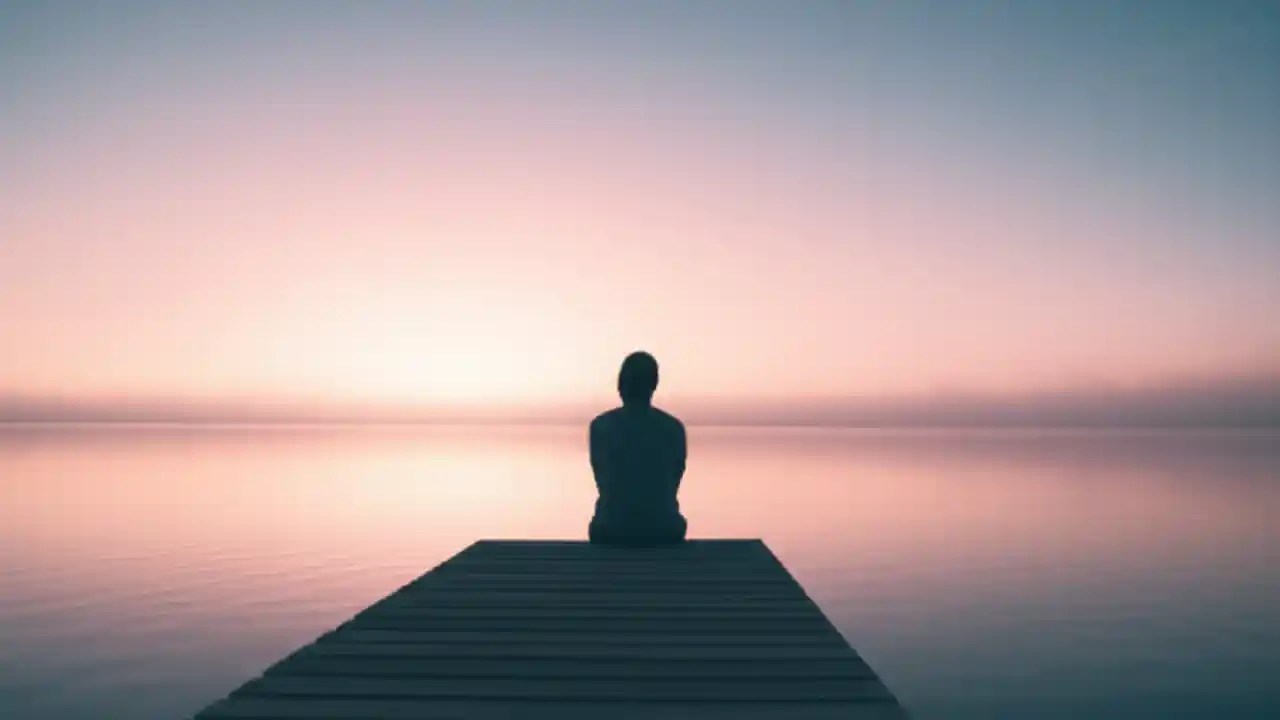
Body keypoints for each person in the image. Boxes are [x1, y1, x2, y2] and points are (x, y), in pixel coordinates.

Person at [588, 351, 688, 546]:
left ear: (620, 385)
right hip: (665, 531)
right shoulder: (673, 428)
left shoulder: (600, 427)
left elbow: (604, 481)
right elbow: (673, 481)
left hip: (610, 530)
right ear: (653, 385)